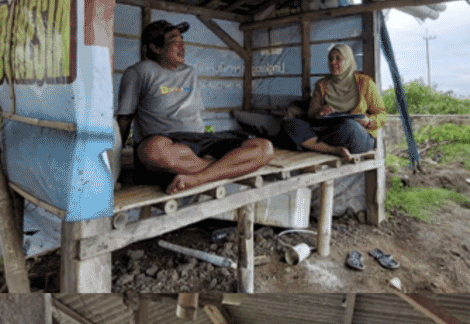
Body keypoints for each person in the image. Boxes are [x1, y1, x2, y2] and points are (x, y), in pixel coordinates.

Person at [116, 20, 274, 194]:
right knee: (151, 151)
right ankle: (226, 166)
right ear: (155, 47)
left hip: (201, 140)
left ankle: (198, 178)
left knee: (265, 148)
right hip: (168, 143)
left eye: (182, 41)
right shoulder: (138, 72)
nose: (182, 46)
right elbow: (124, 118)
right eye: (174, 42)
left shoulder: (190, 72)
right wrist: (114, 165)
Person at [278, 44, 387, 162]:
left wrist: (369, 122)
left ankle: (309, 144)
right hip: (328, 131)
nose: (333, 62)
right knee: (290, 124)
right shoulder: (322, 84)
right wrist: (320, 111)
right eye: (330, 59)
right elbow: (311, 113)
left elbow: (381, 114)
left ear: (349, 60)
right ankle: (333, 150)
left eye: (338, 59)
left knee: (349, 126)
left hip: (356, 134)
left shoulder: (365, 83)